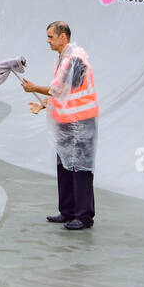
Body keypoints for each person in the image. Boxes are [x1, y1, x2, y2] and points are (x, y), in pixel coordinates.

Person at [20, 21, 97, 230]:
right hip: (66, 121)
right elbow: (63, 92)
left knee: (80, 168)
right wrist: (44, 104)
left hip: (81, 121)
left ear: (63, 37)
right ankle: (68, 211)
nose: (48, 41)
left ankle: (83, 216)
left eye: (51, 37)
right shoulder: (61, 58)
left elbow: (61, 89)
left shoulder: (75, 58)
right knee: (64, 165)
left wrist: (35, 88)